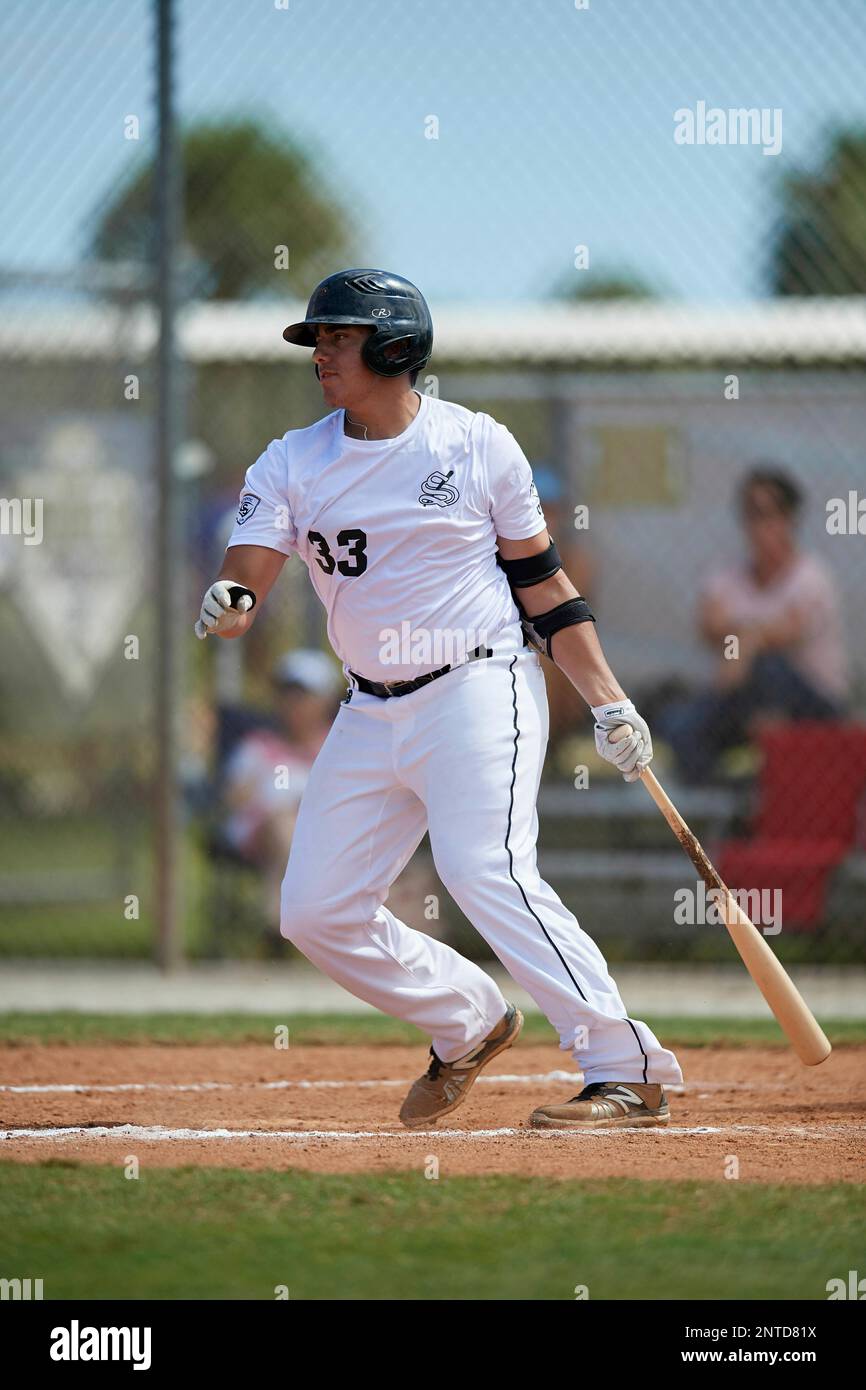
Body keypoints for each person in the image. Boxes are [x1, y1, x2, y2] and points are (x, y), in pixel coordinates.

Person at [195, 268, 682, 1130]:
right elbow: (248, 576)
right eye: (319, 340)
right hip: (370, 707)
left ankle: (626, 1066)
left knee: (482, 866)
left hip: (480, 686)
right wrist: (232, 604)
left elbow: (543, 586)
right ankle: (468, 1019)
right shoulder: (292, 460)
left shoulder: (477, 444)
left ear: (396, 345)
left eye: (341, 338)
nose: (322, 355)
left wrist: (607, 701)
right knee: (314, 911)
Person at [657, 468, 848, 783]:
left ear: (791, 519)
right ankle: (725, 800)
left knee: (770, 668)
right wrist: (753, 637)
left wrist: (745, 642)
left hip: (812, 707)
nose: (759, 526)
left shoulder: (812, 577)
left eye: (768, 514)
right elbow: (708, 623)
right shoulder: (729, 575)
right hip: (744, 700)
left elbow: (788, 633)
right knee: (676, 722)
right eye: (750, 514)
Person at [220, 649, 342, 943]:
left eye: (303, 694)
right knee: (285, 824)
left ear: (325, 701)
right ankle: (280, 922)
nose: (293, 703)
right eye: (287, 693)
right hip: (263, 832)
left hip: (327, 833)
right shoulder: (259, 746)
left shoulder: (338, 746)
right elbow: (233, 801)